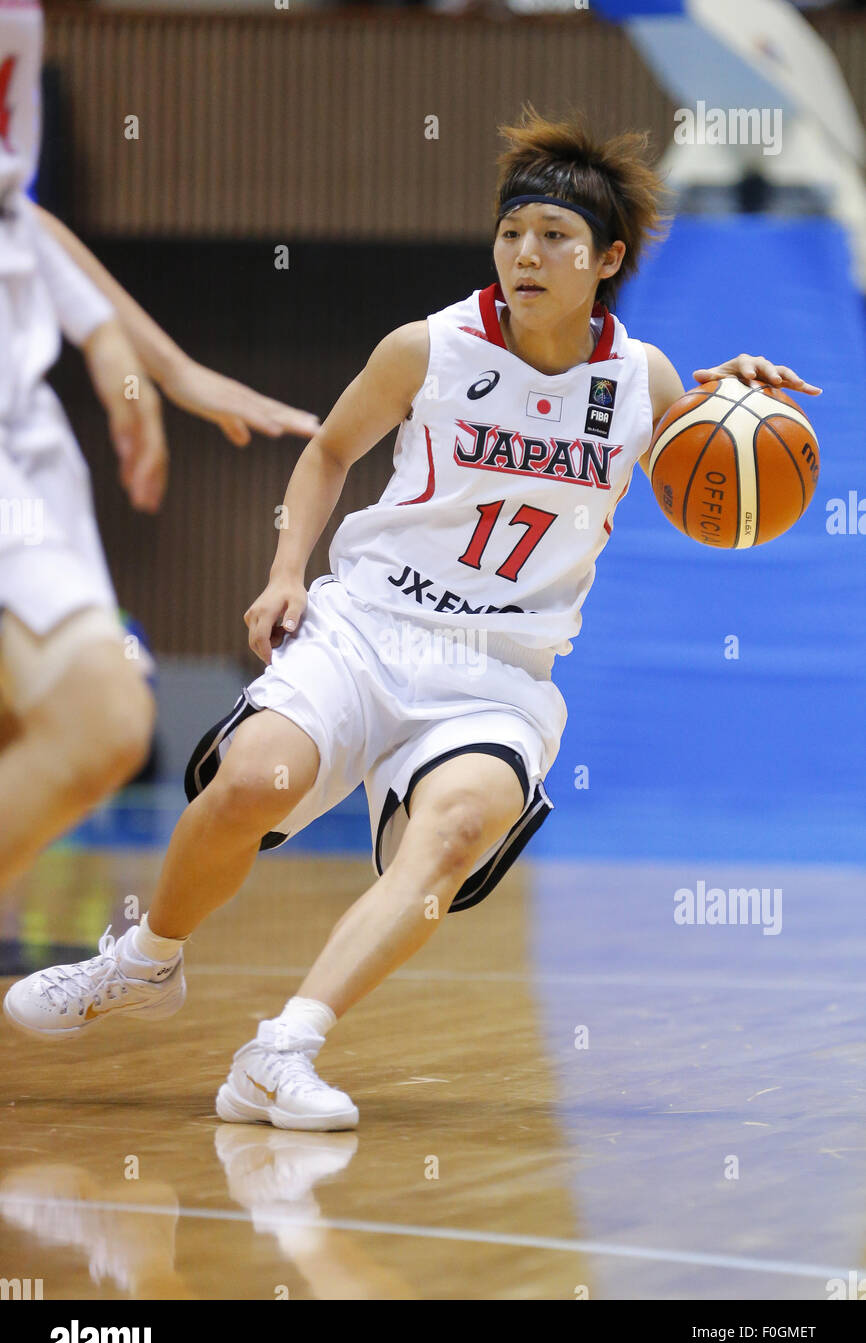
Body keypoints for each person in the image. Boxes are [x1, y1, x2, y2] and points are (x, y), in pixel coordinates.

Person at [3, 107, 821, 1131]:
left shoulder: (639, 381)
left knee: (455, 833)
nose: (526, 253)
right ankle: (146, 958)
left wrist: (734, 398)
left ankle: (281, 1050)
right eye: (512, 232)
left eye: (555, 239)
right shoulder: (426, 347)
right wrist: (283, 573)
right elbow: (328, 453)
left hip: (499, 670)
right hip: (369, 626)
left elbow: (711, 466)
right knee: (251, 782)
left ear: (606, 259)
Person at [0, 0, 318, 890]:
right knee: (97, 721)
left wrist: (139, 352)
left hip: (24, 429)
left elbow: (12, 208)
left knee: (40, 727)